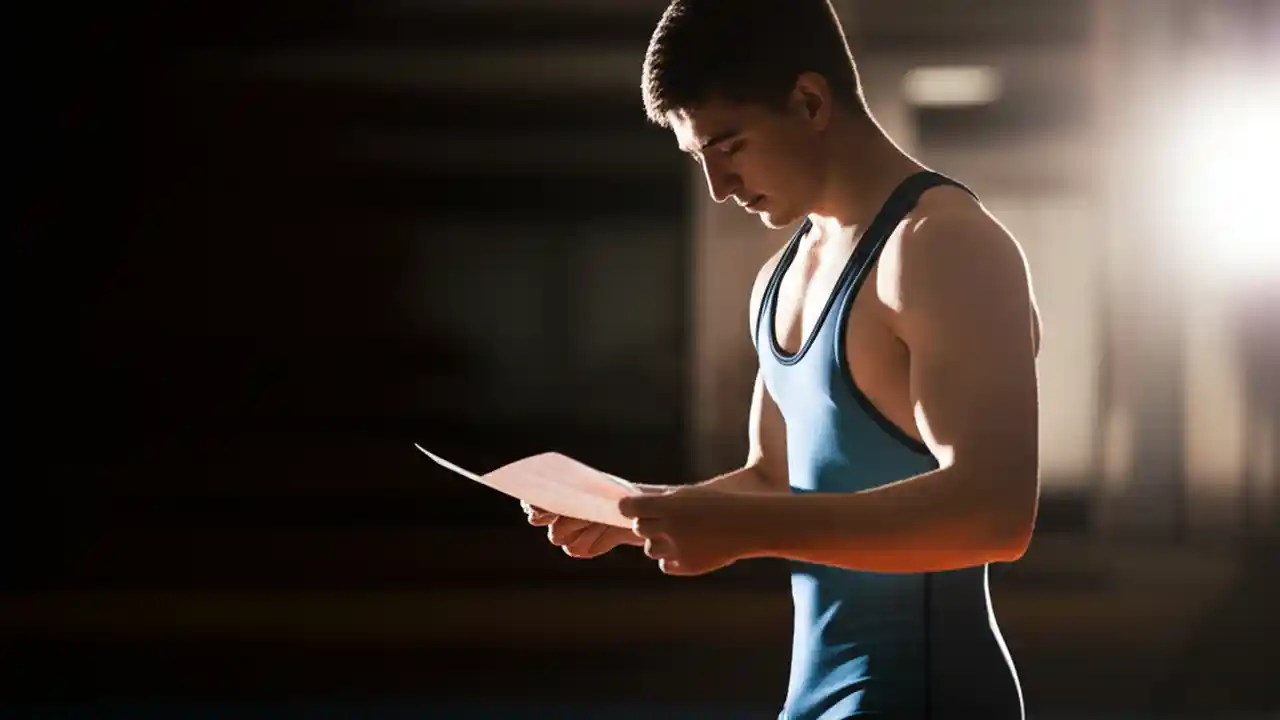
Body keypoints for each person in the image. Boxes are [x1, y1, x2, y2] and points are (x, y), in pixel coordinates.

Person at [524, 1, 1041, 717]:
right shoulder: (778, 278)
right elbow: (777, 479)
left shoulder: (942, 247)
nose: (718, 186)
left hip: (925, 696)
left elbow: (996, 514)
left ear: (809, 101)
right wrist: (646, 511)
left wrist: (742, 531)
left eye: (729, 146)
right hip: (814, 697)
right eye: (699, 158)